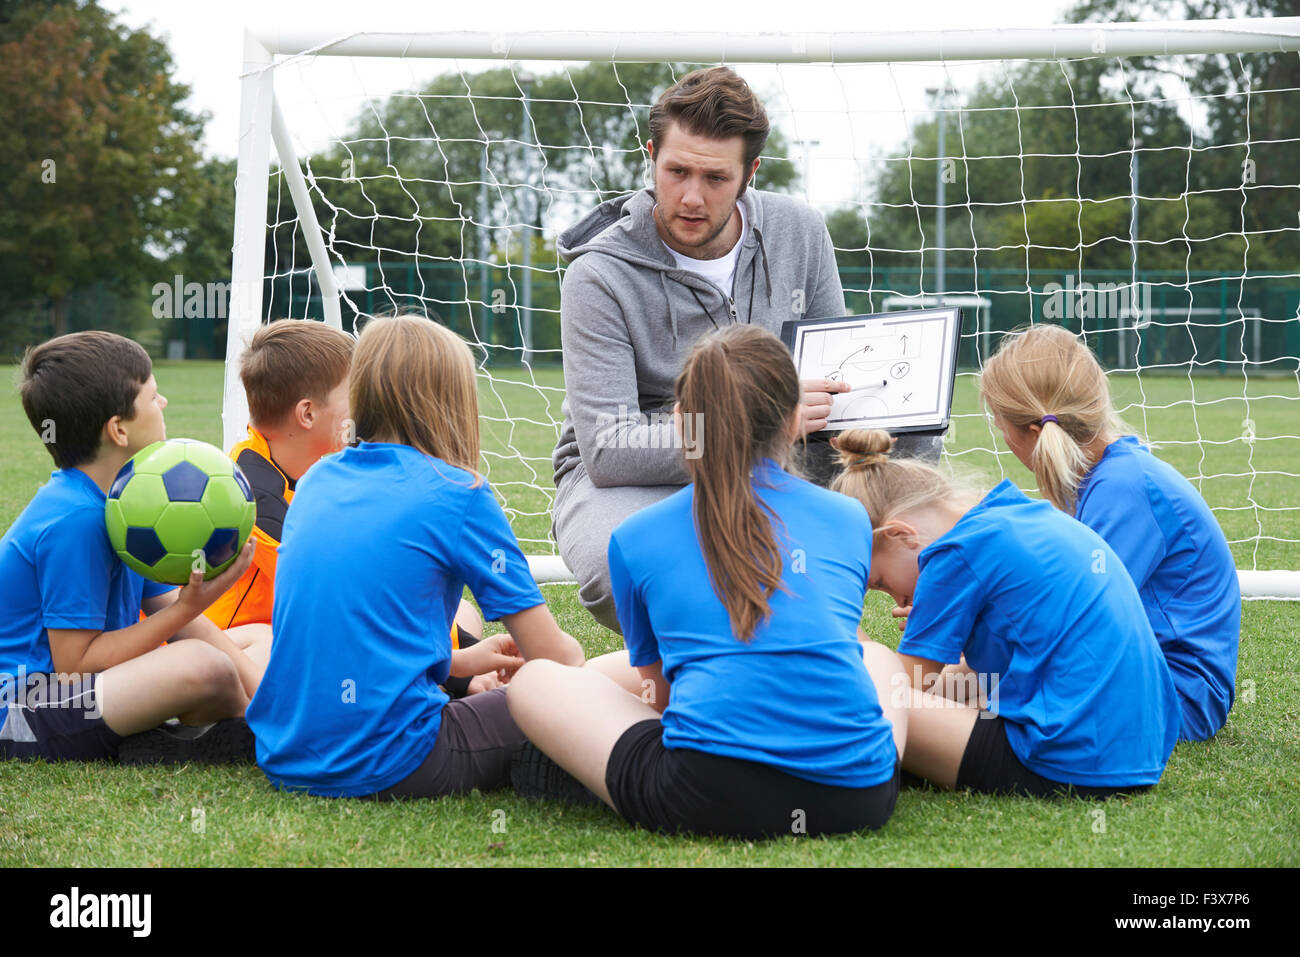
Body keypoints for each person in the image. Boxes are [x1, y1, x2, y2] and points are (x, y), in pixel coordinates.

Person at [552, 66, 945, 634]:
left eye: (714, 178)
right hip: (650, 470)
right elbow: (612, 450)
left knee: (919, 437)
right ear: (650, 155)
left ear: (749, 173)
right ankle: (698, 685)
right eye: (676, 171)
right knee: (625, 567)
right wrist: (748, 427)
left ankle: (928, 622)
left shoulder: (800, 230)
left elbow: (835, 368)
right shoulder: (598, 274)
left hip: (786, 447)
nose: (691, 196)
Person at [509, 325, 907, 840]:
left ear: (681, 422)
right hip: (861, 796)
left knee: (535, 682)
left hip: (707, 796)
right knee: (874, 655)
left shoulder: (634, 536)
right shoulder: (849, 516)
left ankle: (571, 765)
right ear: (794, 419)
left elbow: (658, 691)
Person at [245, 314, 584, 799]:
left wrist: (458, 662)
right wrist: (573, 672)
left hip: (283, 754)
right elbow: (557, 658)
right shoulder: (459, 493)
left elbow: (356, 629)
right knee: (606, 679)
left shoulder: (318, 479)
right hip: (399, 761)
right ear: (454, 400)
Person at [831, 429, 1181, 797]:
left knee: (866, 698)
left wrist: (850, 632)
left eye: (882, 582)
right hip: (1135, 753)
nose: (893, 596)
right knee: (959, 691)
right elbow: (980, 675)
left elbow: (903, 687)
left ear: (902, 534)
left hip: (1067, 762)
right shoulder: (1015, 514)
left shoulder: (955, 553)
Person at [0, 332, 261, 762]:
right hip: (27, 707)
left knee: (255, 638)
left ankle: (234, 723)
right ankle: (219, 735)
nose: (163, 406)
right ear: (118, 429)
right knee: (203, 663)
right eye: (153, 396)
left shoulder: (126, 503)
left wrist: (265, 701)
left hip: (88, 689)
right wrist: (187, 608)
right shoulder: (76, 520)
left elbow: (172, 615)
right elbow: (74, 666)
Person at [205, 318, 495, 698]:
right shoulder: (247, 491)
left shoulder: (322, 474)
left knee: (461, 614)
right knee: (272, 642)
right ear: (307, 414)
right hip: (239, 642)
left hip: (306, 631)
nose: (366, 406)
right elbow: (351, 590)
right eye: (355, 394)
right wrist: (463, 672)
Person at [979, 324, 1240, 741]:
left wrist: (967, 628)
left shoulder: (1124, 486)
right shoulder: (1106, 476)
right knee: (951, 690)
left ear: (1033, 432)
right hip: (1134, 676)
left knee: (943, 706)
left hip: (1174, 697)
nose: (1003, 438)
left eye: (1000, 425)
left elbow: (1072, 624)